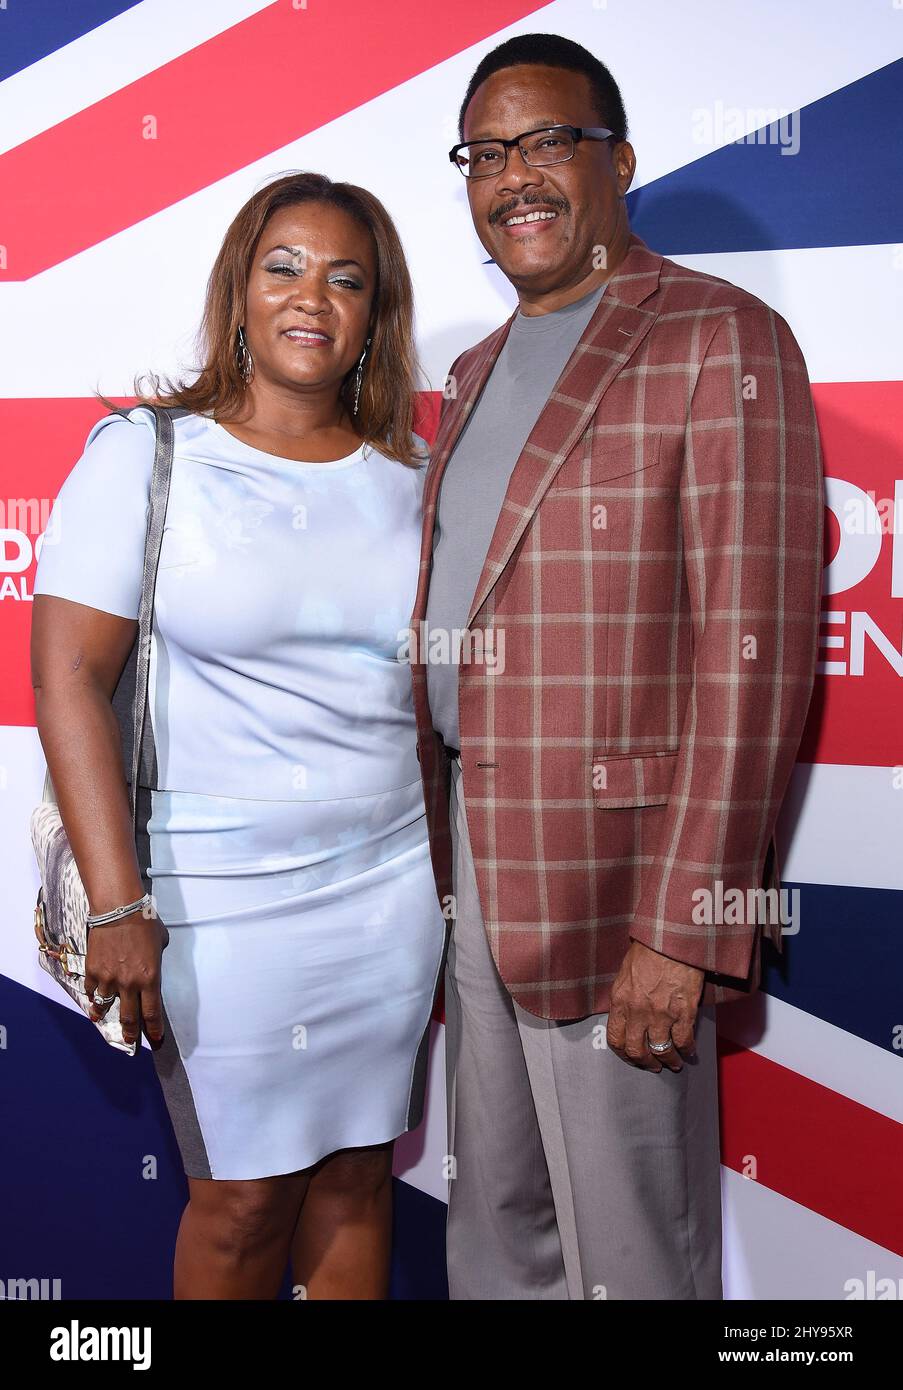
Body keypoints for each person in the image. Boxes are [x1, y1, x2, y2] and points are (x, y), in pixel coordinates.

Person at [409, 33, 824, 1299]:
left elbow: (753, 657)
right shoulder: (471, 374)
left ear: (619, 159)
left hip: (622, 887)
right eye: (486, 152)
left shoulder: (720, 336)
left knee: (636, 1260)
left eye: (546, 141)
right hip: (478, 861)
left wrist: (686, 930)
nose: (513, 176)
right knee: (497, 1233)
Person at [30, 171, 447, 1300]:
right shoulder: (149, 455)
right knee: (242, 1199)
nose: (313, 296)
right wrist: (119, 905)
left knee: (361, 1175)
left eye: (346, 278)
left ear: (375, 316)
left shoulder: (417, 482)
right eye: (285, 267)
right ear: (241, 291)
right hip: (212, 890)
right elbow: (66, 678)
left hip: (392, 885)